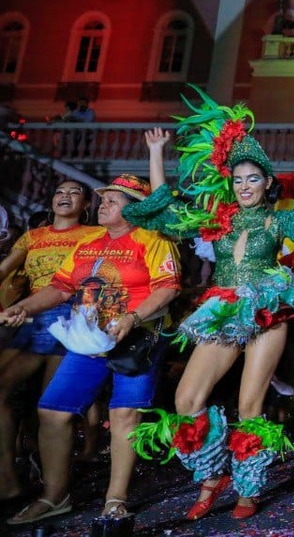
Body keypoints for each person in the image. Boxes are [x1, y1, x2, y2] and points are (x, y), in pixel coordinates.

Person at [125, 89, 294, 522]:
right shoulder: (217, 221)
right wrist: (157, 154)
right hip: (222, 309)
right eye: (238, 180)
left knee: (250, 405)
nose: (244, 187)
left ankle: (249, 488)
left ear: (267, 183)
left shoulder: (276, 219)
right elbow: (162, 210)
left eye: (253, 179)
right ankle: (211, 475)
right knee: (186, 399)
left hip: (267, 310)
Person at [0, 174, 181, 526]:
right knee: (53, 412)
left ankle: (115, 500)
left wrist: (132, 317)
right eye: (103, 199)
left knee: (124, 415)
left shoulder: (153, 238)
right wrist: (24, 307)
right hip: (90, 339)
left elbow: (169, 287)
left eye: (113, 200)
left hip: (137, 340)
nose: (103, 205)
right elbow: (61, 286)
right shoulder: (89, 242)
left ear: (135, 208)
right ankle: (54, 497)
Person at [0, 180, 104, 500]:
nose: (65, 196)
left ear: (86, 205)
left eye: (74, 192)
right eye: (60, 192)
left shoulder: (95, 235)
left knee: (52, 406)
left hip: (70, 319)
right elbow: (3, 270)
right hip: (31, 317)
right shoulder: (33, 236)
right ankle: (8, 480)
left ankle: (53, 487)